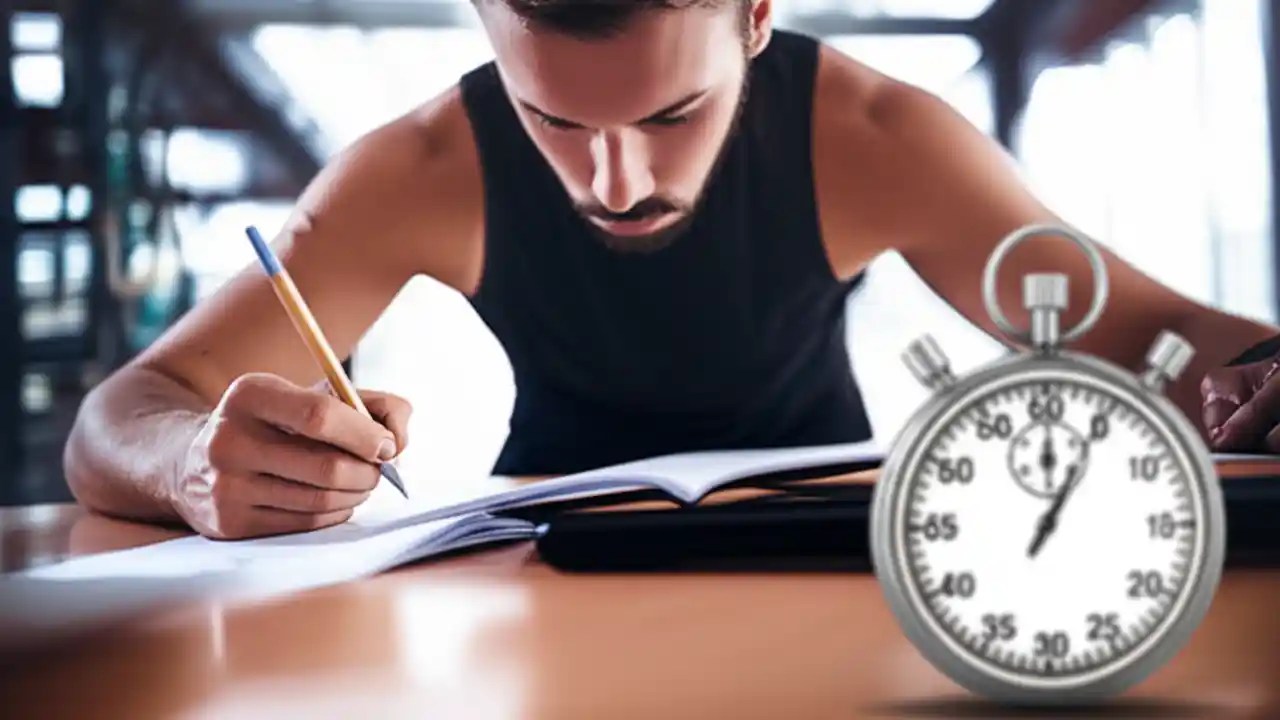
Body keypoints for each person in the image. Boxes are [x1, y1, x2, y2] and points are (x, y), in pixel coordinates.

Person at [64, 0, 1280, 540]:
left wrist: (1261, 374)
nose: (613, 184)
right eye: (550, 121)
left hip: (819, 572)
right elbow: (120, 416)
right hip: (540, 584)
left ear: (756, 13)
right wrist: (192, 466)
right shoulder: (423, 167)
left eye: (669, 114)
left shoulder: (872, 141)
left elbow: (1154, 336)